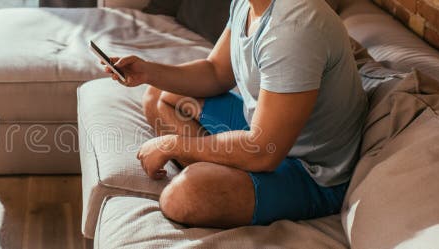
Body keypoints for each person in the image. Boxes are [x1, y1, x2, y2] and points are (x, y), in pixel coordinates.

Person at [99, 0, 367, 228]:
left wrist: (175, 145)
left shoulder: (293, 27)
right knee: (158, 95)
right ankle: (226, 172)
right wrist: (147, 72)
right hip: (266, 135)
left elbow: (263, 151)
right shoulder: (247, 4)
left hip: (313, 174)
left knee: (182, 197)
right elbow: (215, 72)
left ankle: (223, 177)